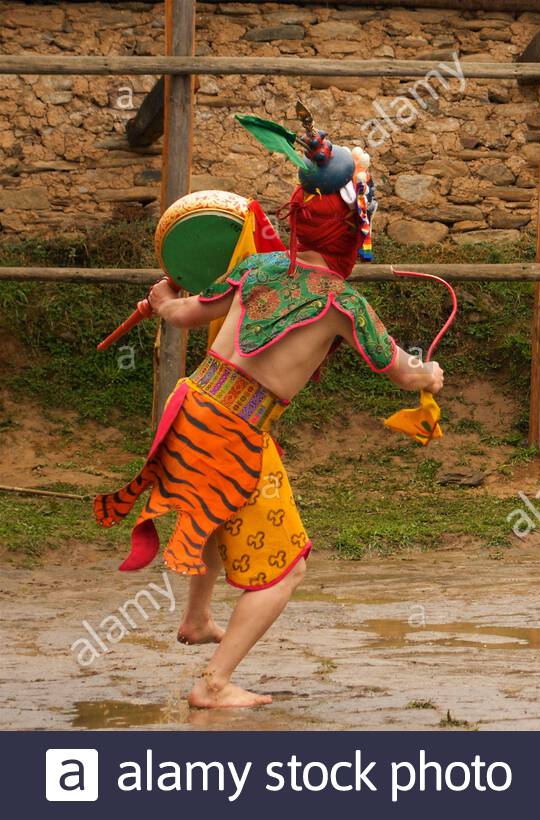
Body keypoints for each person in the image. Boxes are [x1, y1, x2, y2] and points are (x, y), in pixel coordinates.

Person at [94, 109, 443, 708]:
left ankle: (197, 620)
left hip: (192, 406)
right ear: (354, 234)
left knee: (207, 515)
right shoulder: (344, 304)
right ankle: (214, 684)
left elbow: (182, 315)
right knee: (289, 569)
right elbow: (402, 372)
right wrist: (428, 373)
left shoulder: (257, 265)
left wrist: (161, 301)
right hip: (233, 433)